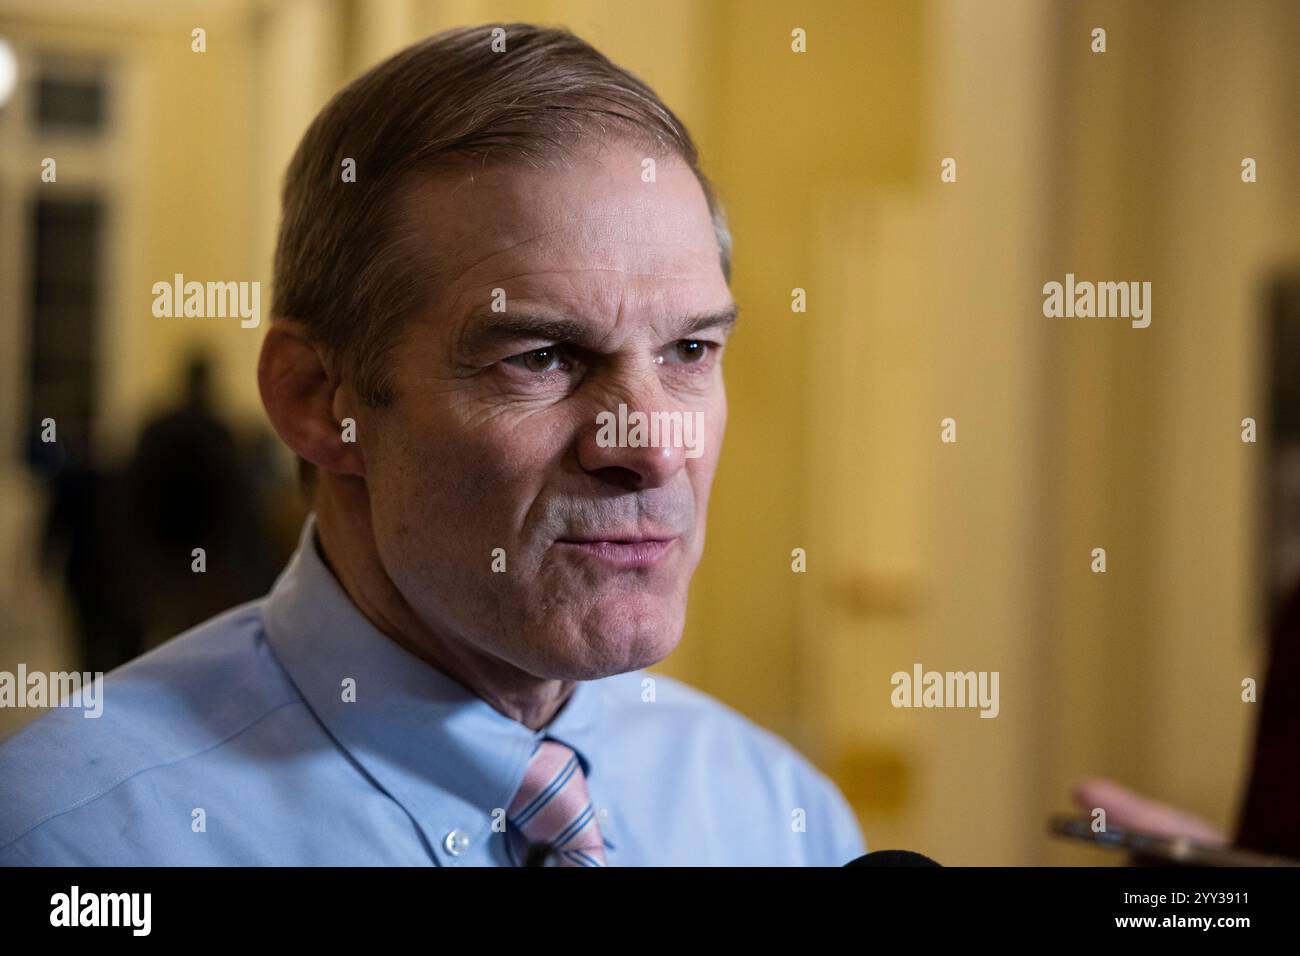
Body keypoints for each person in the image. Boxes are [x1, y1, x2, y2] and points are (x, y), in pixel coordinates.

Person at [0, 24, 865, 867]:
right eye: (542, 357)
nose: (653, 447)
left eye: (690, 350)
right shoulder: (71, 840)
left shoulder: (783, 819)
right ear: (316, 401)